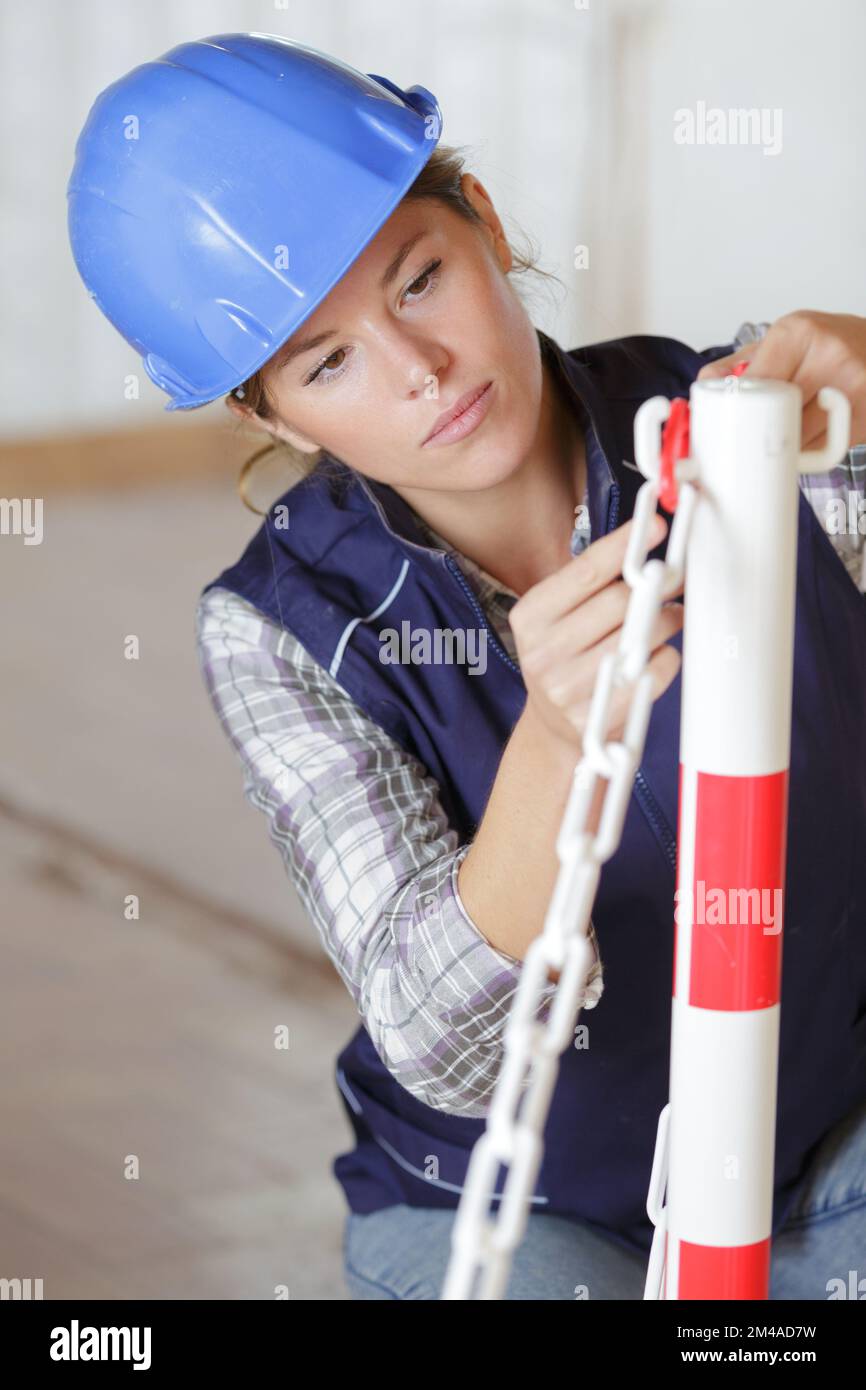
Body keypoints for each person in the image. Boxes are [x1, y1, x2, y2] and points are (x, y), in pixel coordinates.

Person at [68, 32, 866, 1301]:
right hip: (515, 1207)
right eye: (328, 362)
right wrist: (553, 742)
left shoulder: (749, 434)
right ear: (273, 416)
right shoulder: (282, 628)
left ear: (481, 220)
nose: (420, 372)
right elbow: (442, 1042)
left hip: (827, 1139)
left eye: (417, 280)